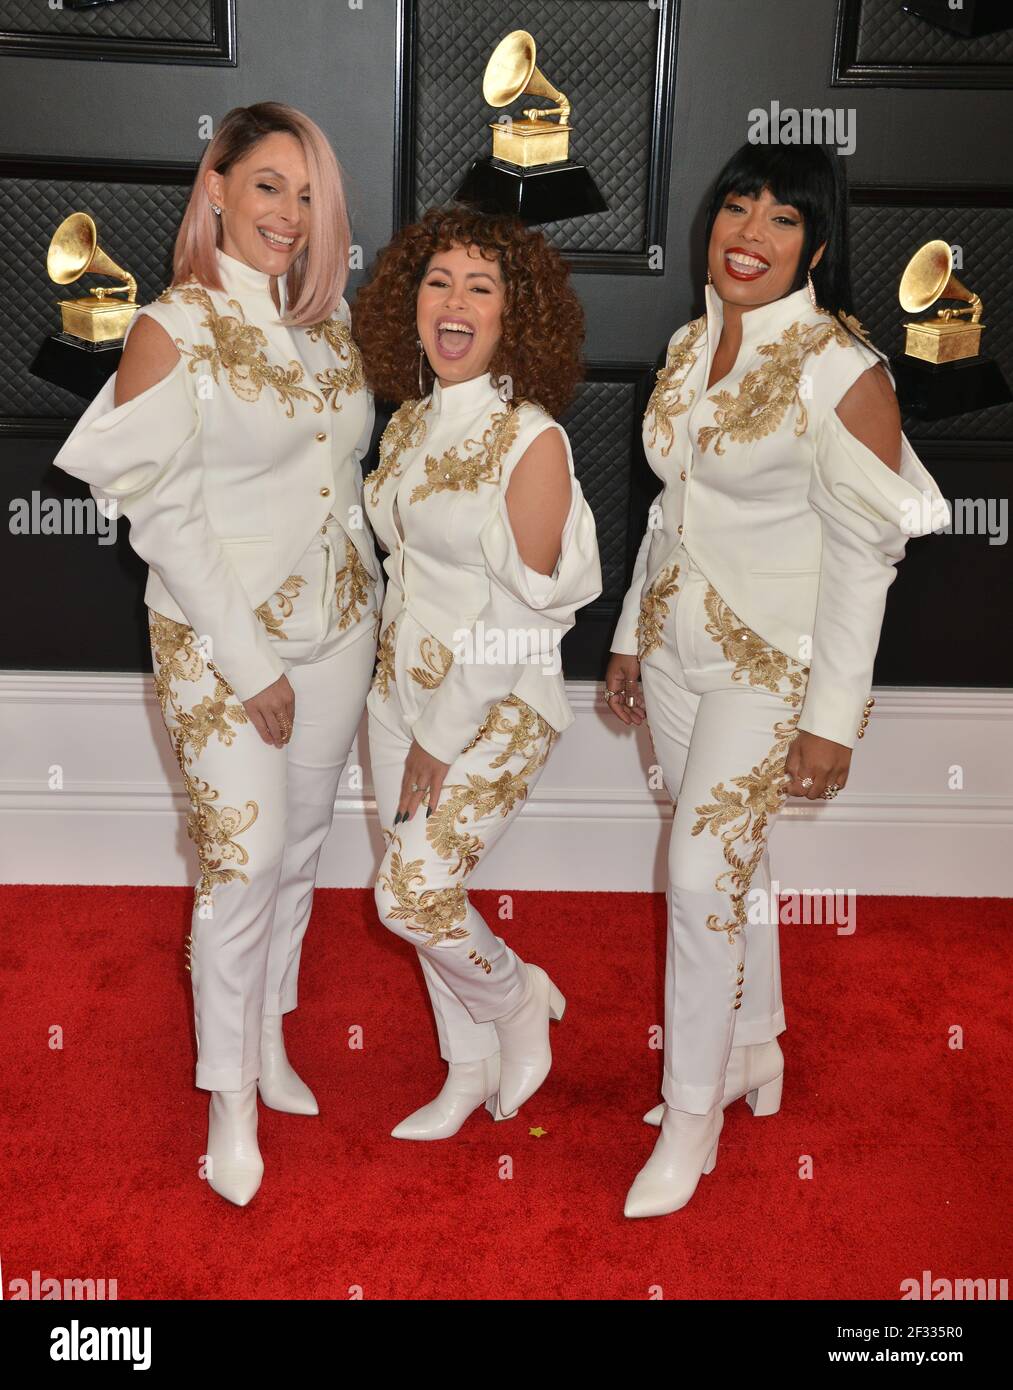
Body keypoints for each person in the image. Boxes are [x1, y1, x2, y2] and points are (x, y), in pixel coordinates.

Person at [604, 142, 949, 1218]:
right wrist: (626, 631)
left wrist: (832, 720)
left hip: (772, 666)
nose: (749, 233)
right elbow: (671, 510)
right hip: (671, 650)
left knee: (701, 873)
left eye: (781, 219)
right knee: (728, 868)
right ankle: (752, 1048)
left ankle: (691, 1112)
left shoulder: (843, 370)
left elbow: (866, 554)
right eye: (736, 207)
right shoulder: (687, 338)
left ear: (818, 245)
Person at [53, 102, 383, 1206]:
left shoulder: (327, 326)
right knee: (240, 865)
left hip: (340, 629)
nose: (287, 213)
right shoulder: (171, 328)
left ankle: (270, 1040)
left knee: (296, 854)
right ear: (216, 188)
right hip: (219, 643)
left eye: (306, 193)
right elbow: (164, 515)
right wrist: (252, 665)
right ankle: (228, 1095)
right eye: (266, 185)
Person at [351, 204, 602, 1138]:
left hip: (491, 705)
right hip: (396, 697)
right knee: (430, 895)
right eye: (437, 281)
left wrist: (438, 734)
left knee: (408, 895)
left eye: (480, 287)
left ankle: (517, 1002)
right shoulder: (411, 422)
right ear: (411, 302)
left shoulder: (531, 438)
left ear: (513, 315)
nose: (454, 302)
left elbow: (520, 614)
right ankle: (465, 1072)